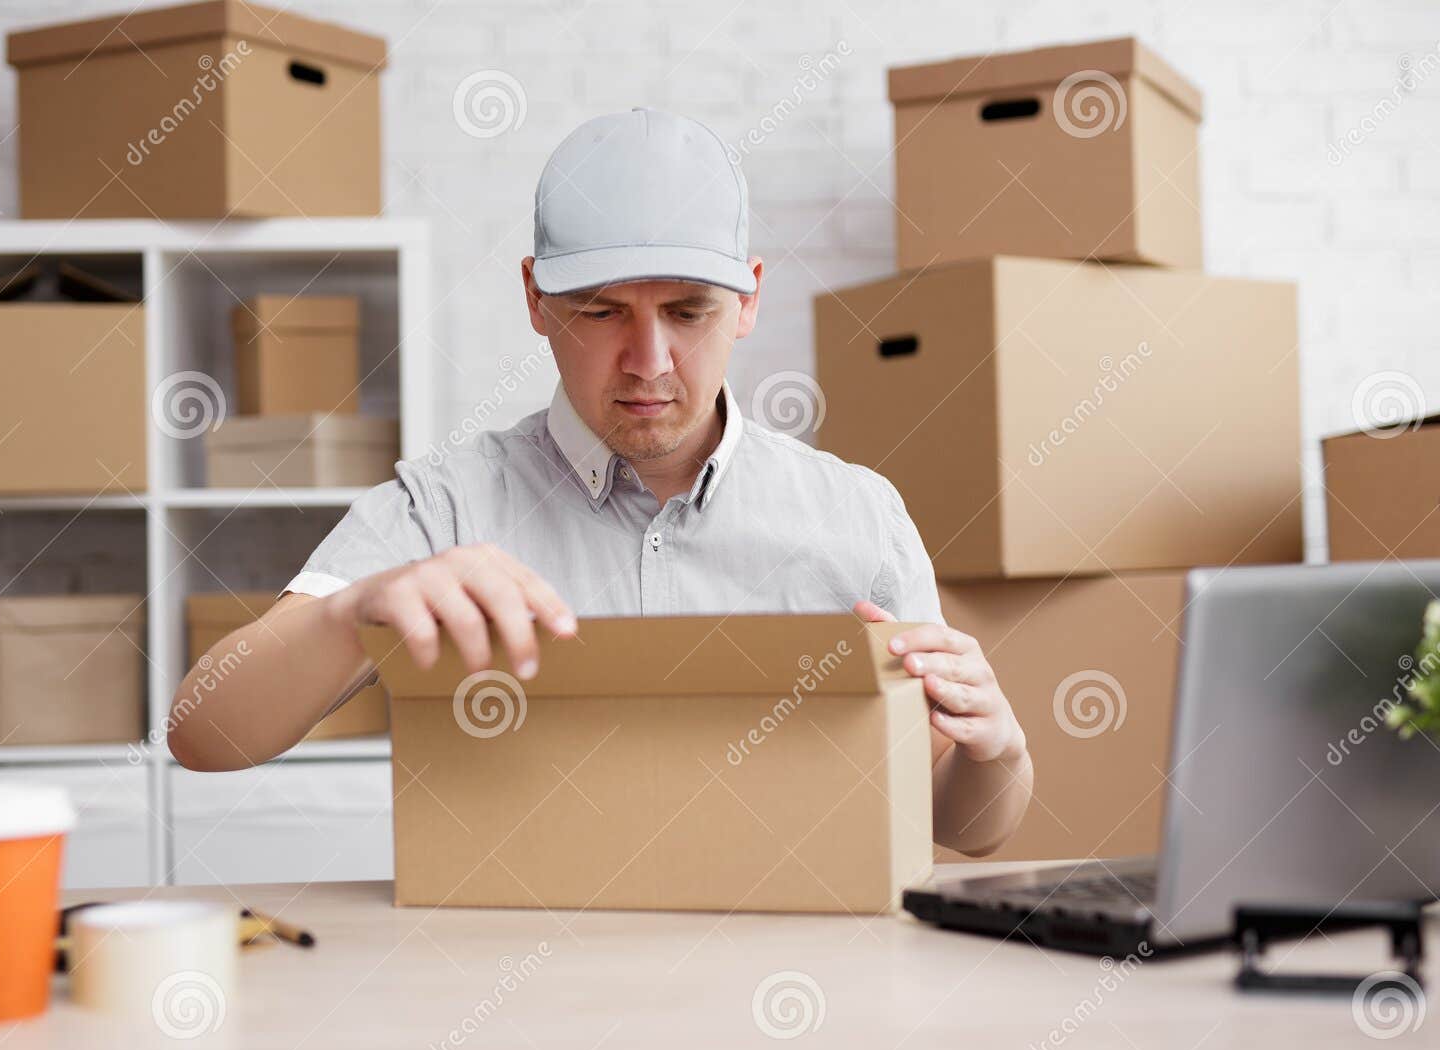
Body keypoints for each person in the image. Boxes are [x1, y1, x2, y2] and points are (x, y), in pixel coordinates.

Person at [168, 108, 1032, 857]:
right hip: (516, 1009)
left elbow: (955, 820)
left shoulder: (858, 518)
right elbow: (203, 734)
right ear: (537, 300)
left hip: (781, 990)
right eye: (602, 311)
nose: (648, 363)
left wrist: (998, 753)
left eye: (689, 311)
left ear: (750, 299)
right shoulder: (444, 508)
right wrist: (350, 610)